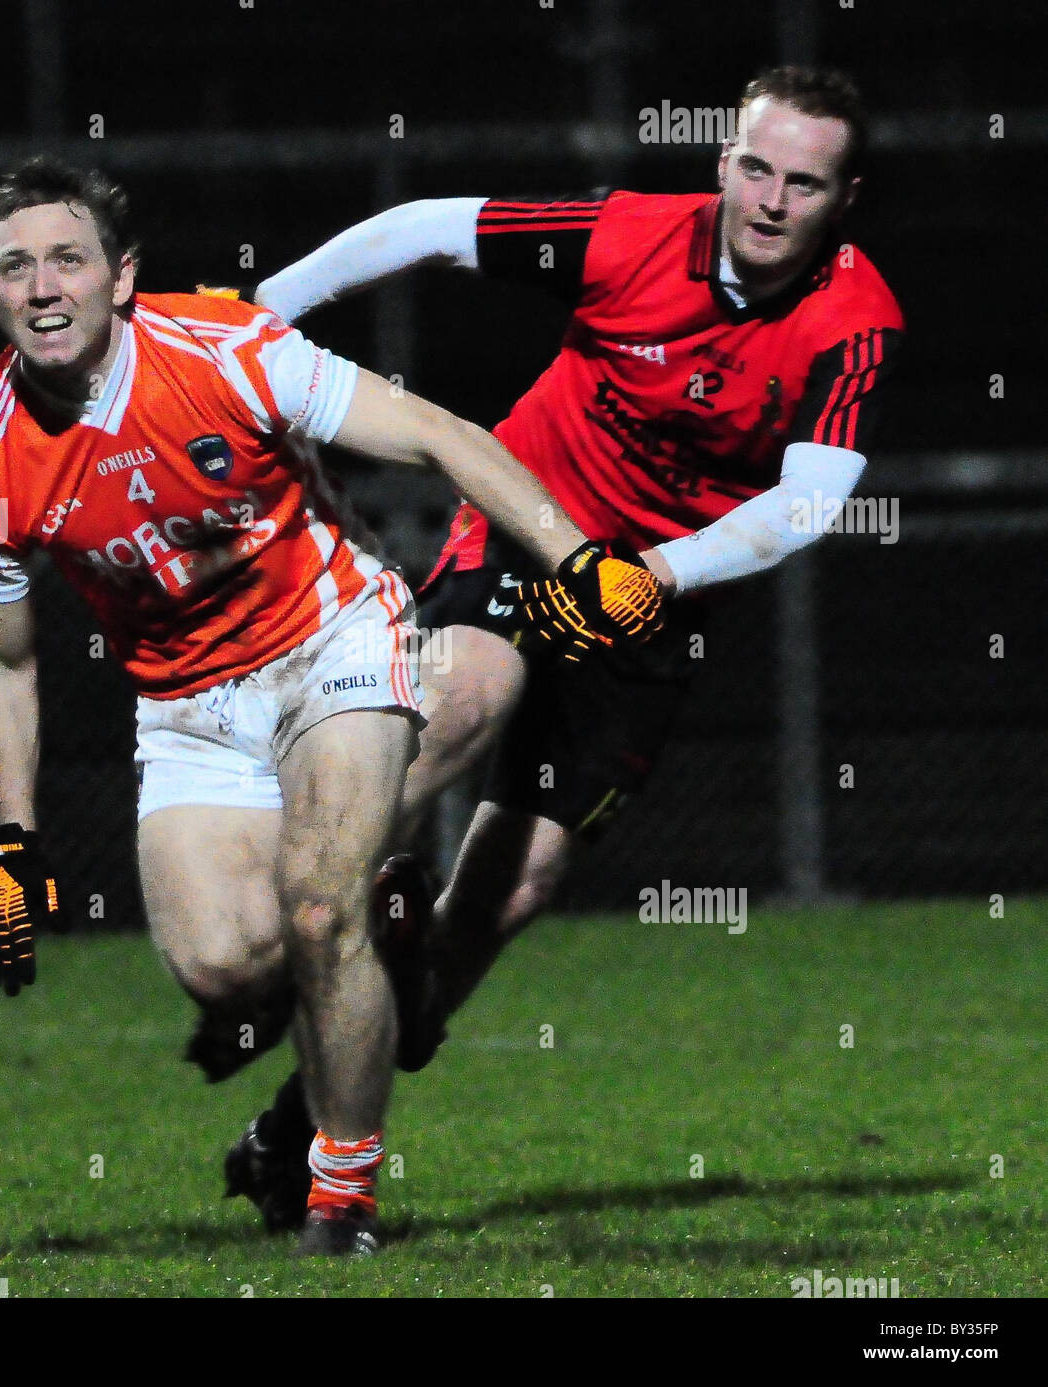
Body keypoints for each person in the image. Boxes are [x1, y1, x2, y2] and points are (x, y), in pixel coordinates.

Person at [226, 64, 905, 1230]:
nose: (772, 198)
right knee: (467, 694)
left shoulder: (857, 321)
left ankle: (290, 1135)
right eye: (755, 166)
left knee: (502, 902)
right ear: (721, 161)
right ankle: (285, 906)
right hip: (526, 531)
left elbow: (805, 505)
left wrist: (647, 577)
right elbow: (418, 230)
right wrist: (249, 321)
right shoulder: (627, 238)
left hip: (654, 607)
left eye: (805, 180)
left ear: (844, 198)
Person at [0, 156, 651, 1255]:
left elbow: (435, 432)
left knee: (320, 901)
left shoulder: (226, 350)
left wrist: (579, 560)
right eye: (15, 266)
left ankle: (339, 1196)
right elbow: (3, 662)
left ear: (121, 278)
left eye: (67, 258)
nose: (43, 286)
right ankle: (390, 923)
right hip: (186, 709)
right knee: (222, 969)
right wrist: (12, 846)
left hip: (335, 643)